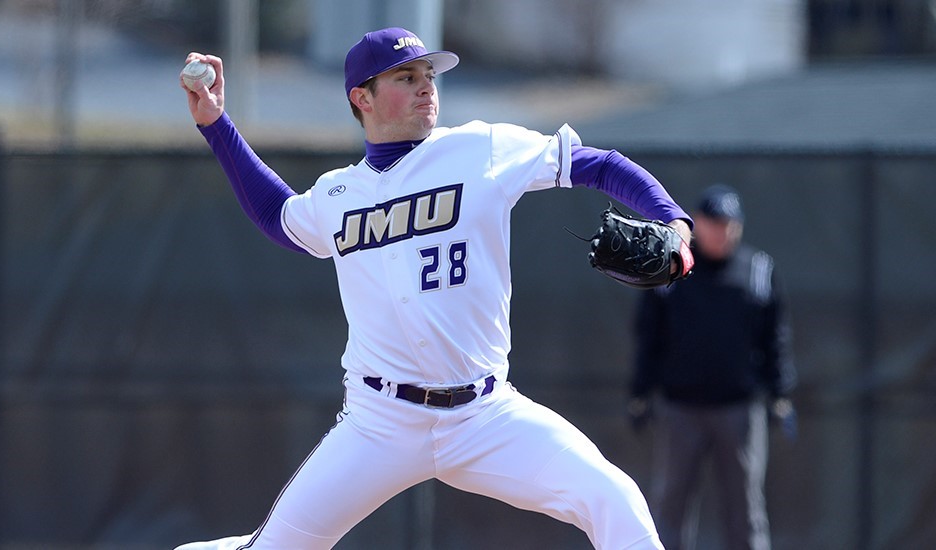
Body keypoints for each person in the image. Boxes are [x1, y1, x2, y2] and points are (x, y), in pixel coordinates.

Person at [176, 26, 694, 550]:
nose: (427, 87)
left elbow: (600, 165)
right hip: (380, 422)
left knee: (612, 496)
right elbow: (275, 214)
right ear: (362, 97)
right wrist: (216, 124)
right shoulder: (338, 194)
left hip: (485, 415)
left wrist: (675, 224)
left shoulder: (480, 149)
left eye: (429, 75)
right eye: (406, 77)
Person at [627, 184, 798, 550]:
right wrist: (640, 392)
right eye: (713, 222)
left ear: (738, 227)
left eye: (728, 224)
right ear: (697, 223)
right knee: (670, 503)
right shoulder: (674, 269)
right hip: (680, 409)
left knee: (745, 507)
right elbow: (649, 335)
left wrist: (780, 393)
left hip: (738, 410)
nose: (721, 231)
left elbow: (776, 338)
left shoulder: (758, 269)